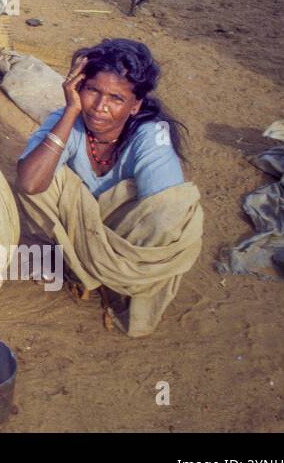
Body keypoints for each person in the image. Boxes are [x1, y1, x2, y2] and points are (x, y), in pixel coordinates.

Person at [15, 38, 203, 336]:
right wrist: (70, 112)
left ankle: (109, 276)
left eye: (116, 98)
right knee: (42, 179)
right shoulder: (68, 119)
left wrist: (107, 248)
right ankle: (77, 264)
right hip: (80, 229)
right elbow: (29, 183)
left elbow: (165, 214)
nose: (100, 107)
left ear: (135, 105)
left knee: (171, 209)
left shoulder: (150, 136)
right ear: (77, 88)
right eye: (92, 91)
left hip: (122, 234)